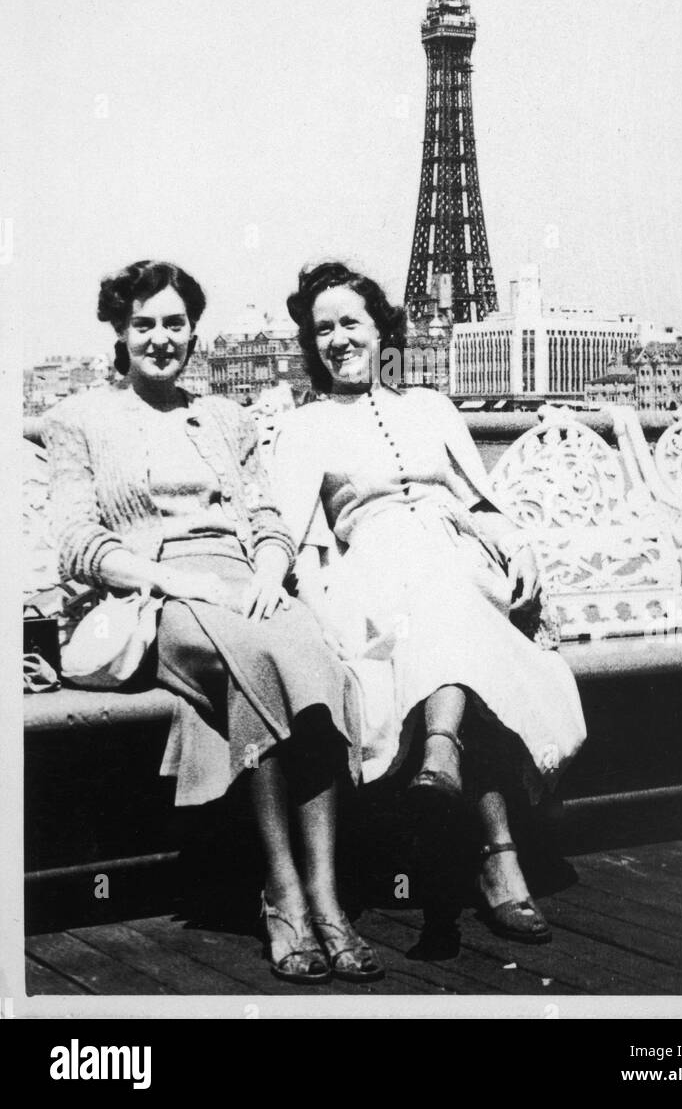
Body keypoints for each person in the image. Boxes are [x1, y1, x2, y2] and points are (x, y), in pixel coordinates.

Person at [42, 259, 382, 984]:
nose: (161, 338)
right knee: (253, 660)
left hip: (243, 583)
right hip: (154, 598)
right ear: (119, 332)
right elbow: (75, 540)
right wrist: (179, 580)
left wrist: (265, 572)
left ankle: (324, 896)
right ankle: (286, 893)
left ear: (193, 331)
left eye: (174, 323)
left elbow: (264, 514)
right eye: (145, 325)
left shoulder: (226, 418)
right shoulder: (80, 419)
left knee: (312, 653)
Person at [273, 261, 587, 944]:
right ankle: (495, 850)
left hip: (456, 558)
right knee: (439, 594)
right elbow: (295, 540)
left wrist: (520, 542)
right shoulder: (305, 428)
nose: (337, 340)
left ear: (383, 329)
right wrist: (315, 605)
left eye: (350, 322)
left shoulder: (432, 408)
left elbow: (480, 505)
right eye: (321, 329)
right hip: (378, 572)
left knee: (447, 589)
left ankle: (441, 755)